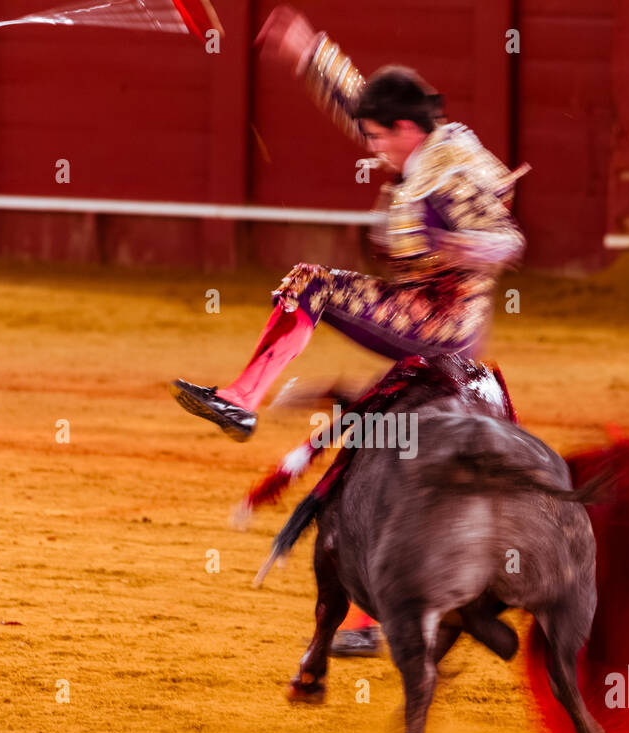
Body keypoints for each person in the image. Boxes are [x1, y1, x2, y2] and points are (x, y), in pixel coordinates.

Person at [170, 4, 528, 656]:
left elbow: (506, 238)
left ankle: (244, 401)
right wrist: (309, 52)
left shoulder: (447, 174)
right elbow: (359, 102)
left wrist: (467, 244)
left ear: (402, 129)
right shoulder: (430, 143)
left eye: (374, 138)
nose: (369, 149)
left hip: (438, 324)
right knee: (392, 462)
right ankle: (379, 619)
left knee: (309, 284)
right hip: (436, 315)